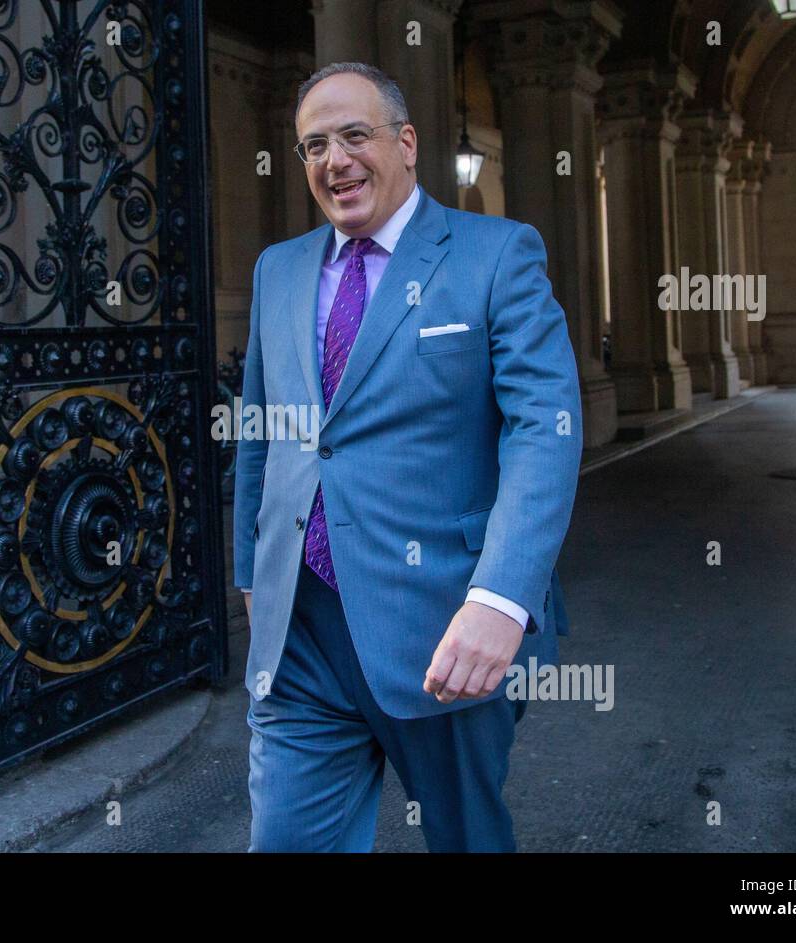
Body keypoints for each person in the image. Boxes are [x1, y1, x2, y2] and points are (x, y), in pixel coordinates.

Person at [233, 61, 582, 852]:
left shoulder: (496, 254)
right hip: (302, 637)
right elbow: (262, 432)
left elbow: (544, 430)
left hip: (443, 626)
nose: (335, 160)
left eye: (356, 135)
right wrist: (253, 577)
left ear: (407, 142)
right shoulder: (278, 270)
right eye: (314, 145)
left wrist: (501, 599)